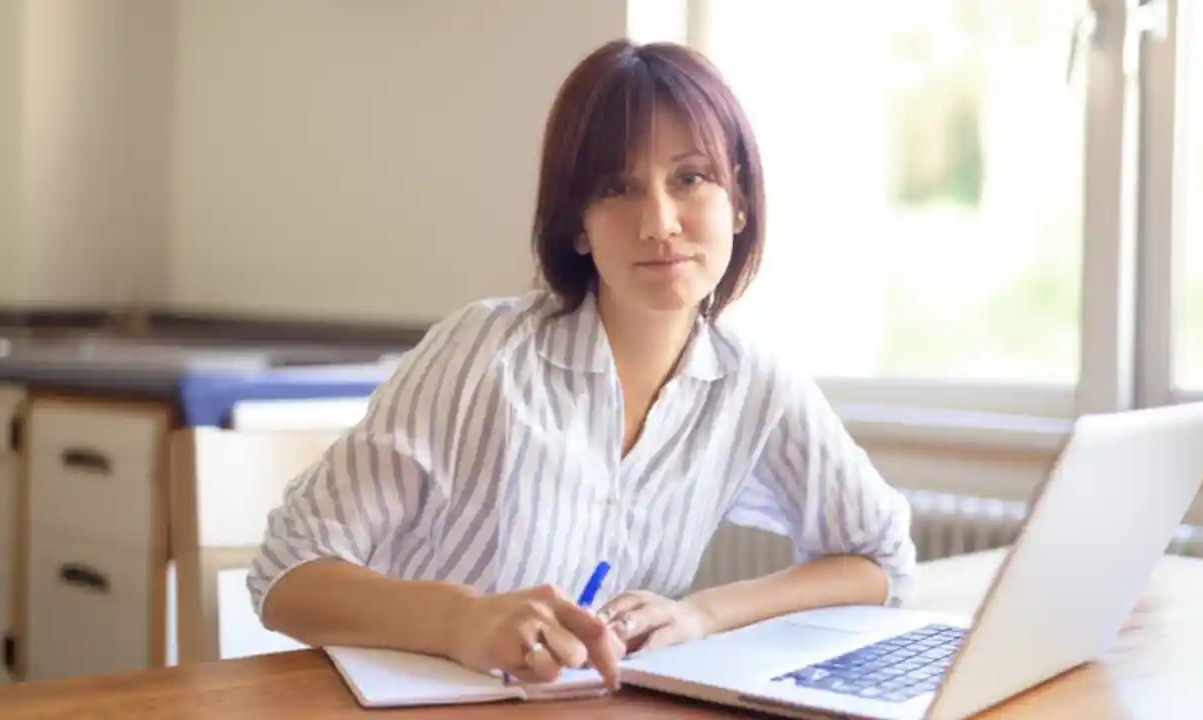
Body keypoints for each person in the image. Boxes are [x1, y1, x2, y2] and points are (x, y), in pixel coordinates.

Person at [248, 39, 916, 692]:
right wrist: (463, 621)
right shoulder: (483, 355)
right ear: (576, 226)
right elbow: (287, 576)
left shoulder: (755, 384)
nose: (660, 222)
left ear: (738, 201)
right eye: (618, 188)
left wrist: (701, 614)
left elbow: (878, 558)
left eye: (691, 178)